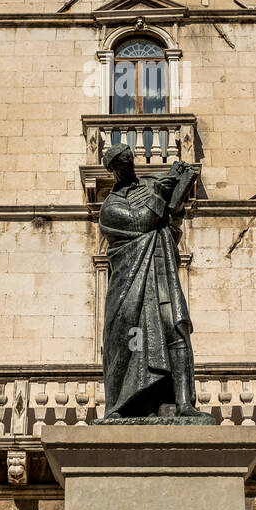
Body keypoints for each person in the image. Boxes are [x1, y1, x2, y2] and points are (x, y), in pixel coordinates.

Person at [97, 143, 210, 421]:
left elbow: (170, 219)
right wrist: (160, 194)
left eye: (129, 163)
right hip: (131, 284)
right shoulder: (111, 208)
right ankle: (130, 404)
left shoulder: (149, 185)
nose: (128, 169)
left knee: (175, 329)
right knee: (133, 339)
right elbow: (142, 222)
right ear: (113, 171)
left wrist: (177, 195)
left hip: (162, 269)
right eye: (121, 166)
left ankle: (183, 402)